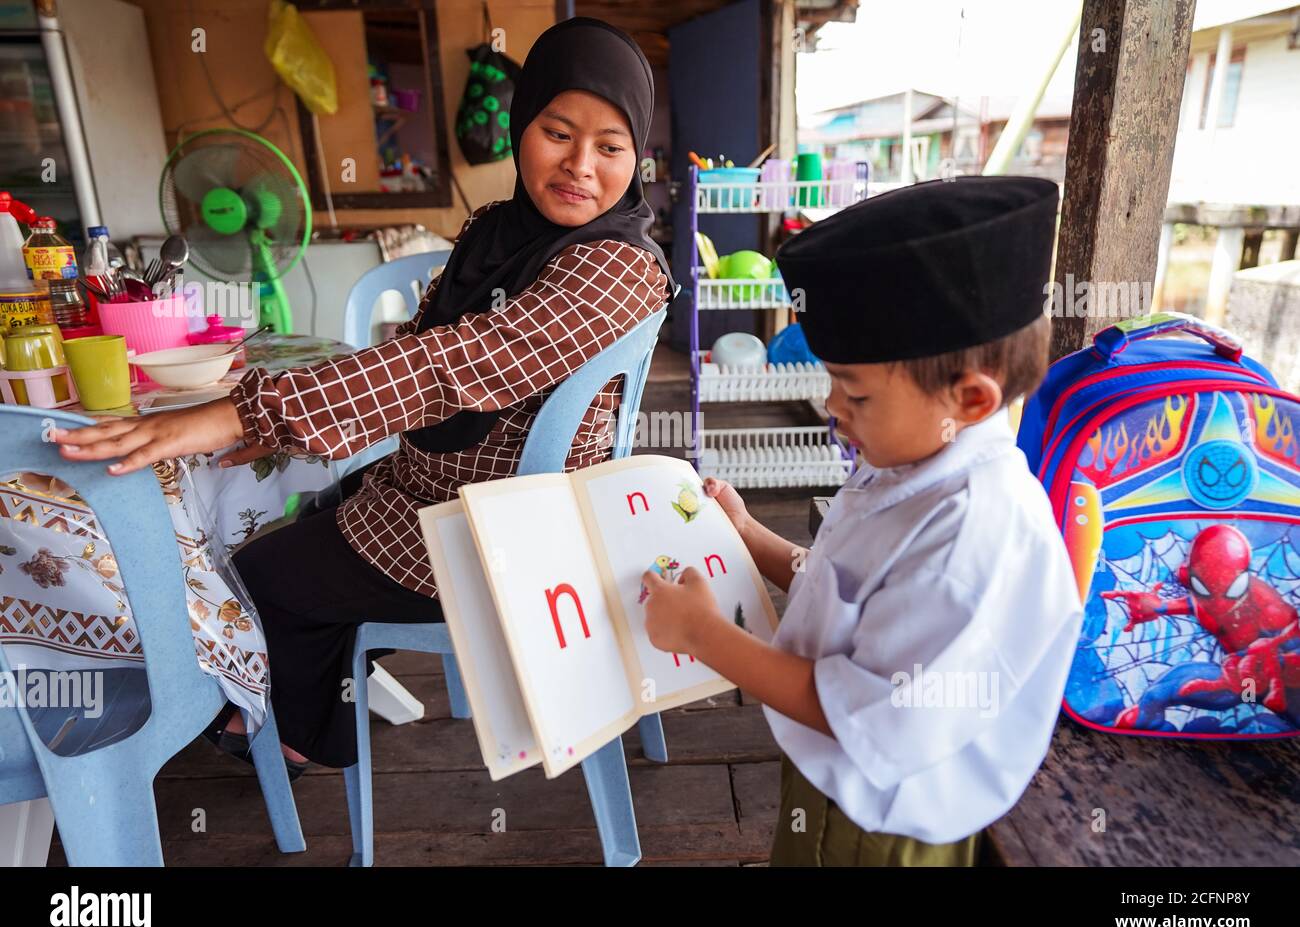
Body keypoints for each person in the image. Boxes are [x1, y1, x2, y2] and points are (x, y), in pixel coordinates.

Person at [51, 17, 671, 775]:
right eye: (557, 131)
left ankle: (304, 739)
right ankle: (331, 686)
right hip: (435, 493)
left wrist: (246, 411)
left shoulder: (615, 266)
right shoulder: (497, 230)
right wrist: (282, 427)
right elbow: (412, 348)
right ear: (521, 126)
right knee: (310, 515)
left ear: (637, 155)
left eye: (610, 146)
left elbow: (452, 364)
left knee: (259, 580)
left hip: (499, 533)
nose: (580, 165)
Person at [640, 176, 1083, 866]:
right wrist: (748, 533)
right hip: (830, 777)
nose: (831, 406)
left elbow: (858, 714)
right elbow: (845, 590)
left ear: (967, 398)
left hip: (882, 825)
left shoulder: (970, 541)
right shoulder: (911, 457)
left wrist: (701, 634)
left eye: (853, 390)